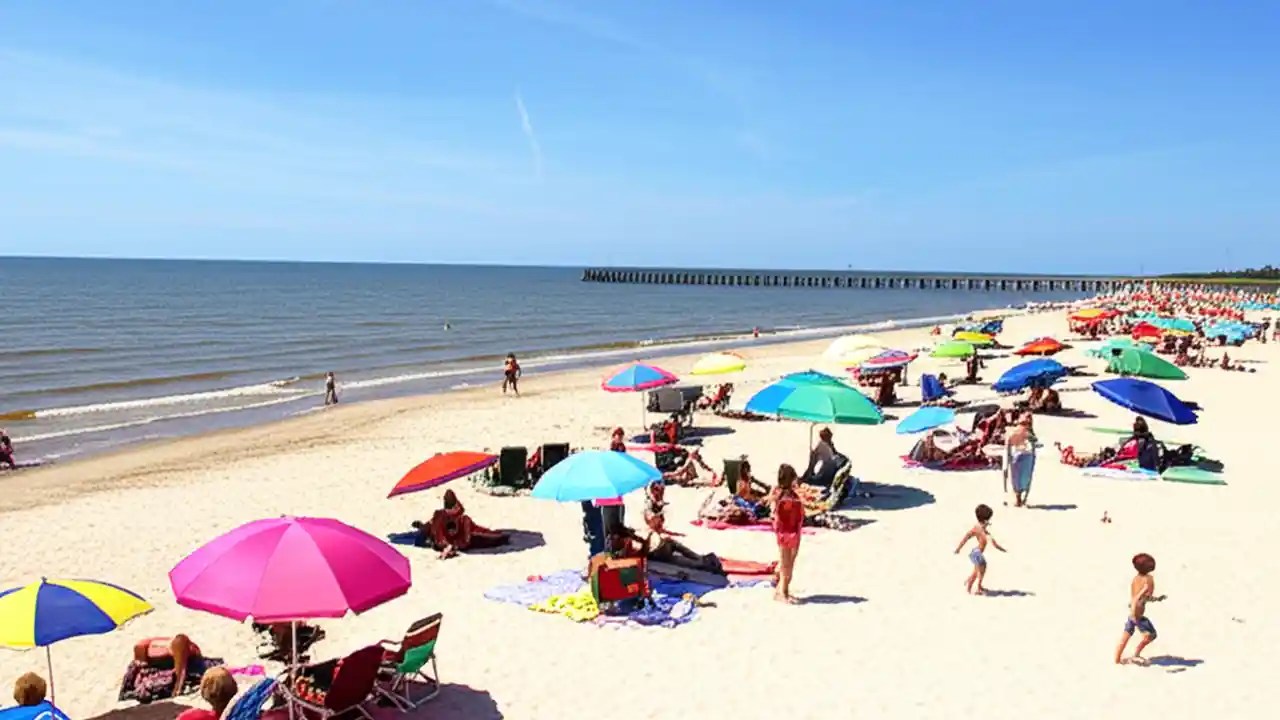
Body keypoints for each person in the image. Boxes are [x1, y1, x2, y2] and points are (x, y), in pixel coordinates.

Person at [415, 489, 509, 558]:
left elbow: (432, 529)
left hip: (453, 538)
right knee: (485, 536)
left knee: (487, 535)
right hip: (456, 538)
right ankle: (502, 538)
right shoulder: (445, 517)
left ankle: (501, 538)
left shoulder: (444, 516)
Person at [1115, 553, 1166, 665]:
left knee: (1126, 636)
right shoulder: (1148, 580)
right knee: (1151, 635)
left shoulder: (1135, 579)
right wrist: (1152, 598)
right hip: (1138, 615)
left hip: (1133, 613)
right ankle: (1136, 653)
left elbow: (1140, 598)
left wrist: (1156, 599)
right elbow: (1140, 598)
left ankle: (1117, 659)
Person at [769, 464, 804, 603]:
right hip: (788, 530)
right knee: (787, 562)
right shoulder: (784, 495)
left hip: (788, 529)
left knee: (788, 561)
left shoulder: (782, 493)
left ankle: (783, 590)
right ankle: (782, 592)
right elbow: (775, 511)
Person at [954, 504, 1006, 595]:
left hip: (976, 552)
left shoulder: (979, 527)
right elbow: (967, 536)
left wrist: (959, 548)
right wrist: (1001, 548)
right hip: (977, 553)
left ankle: (977, 585)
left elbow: (967, 537)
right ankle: (970, 588)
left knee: (981, 569)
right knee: (977, 572)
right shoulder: (979, 529)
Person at [133, 634, 201, 698]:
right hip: (167, 654)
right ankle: (178, 686)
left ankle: (178, 685)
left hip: (179, 650)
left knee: (179, 642)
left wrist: (178, 686)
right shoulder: (146, 646)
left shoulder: (179, 643)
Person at [1005, 414, 1036, 507]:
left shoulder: (1011, 431)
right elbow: (1033, 443)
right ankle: (1023, 498)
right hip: (1027, 455)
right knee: (1026, 478)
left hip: (1015, 455)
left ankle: (1018, 497)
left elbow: (1008, 446)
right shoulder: (1027, 432)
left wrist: (1007, 459)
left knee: (1016, 478)